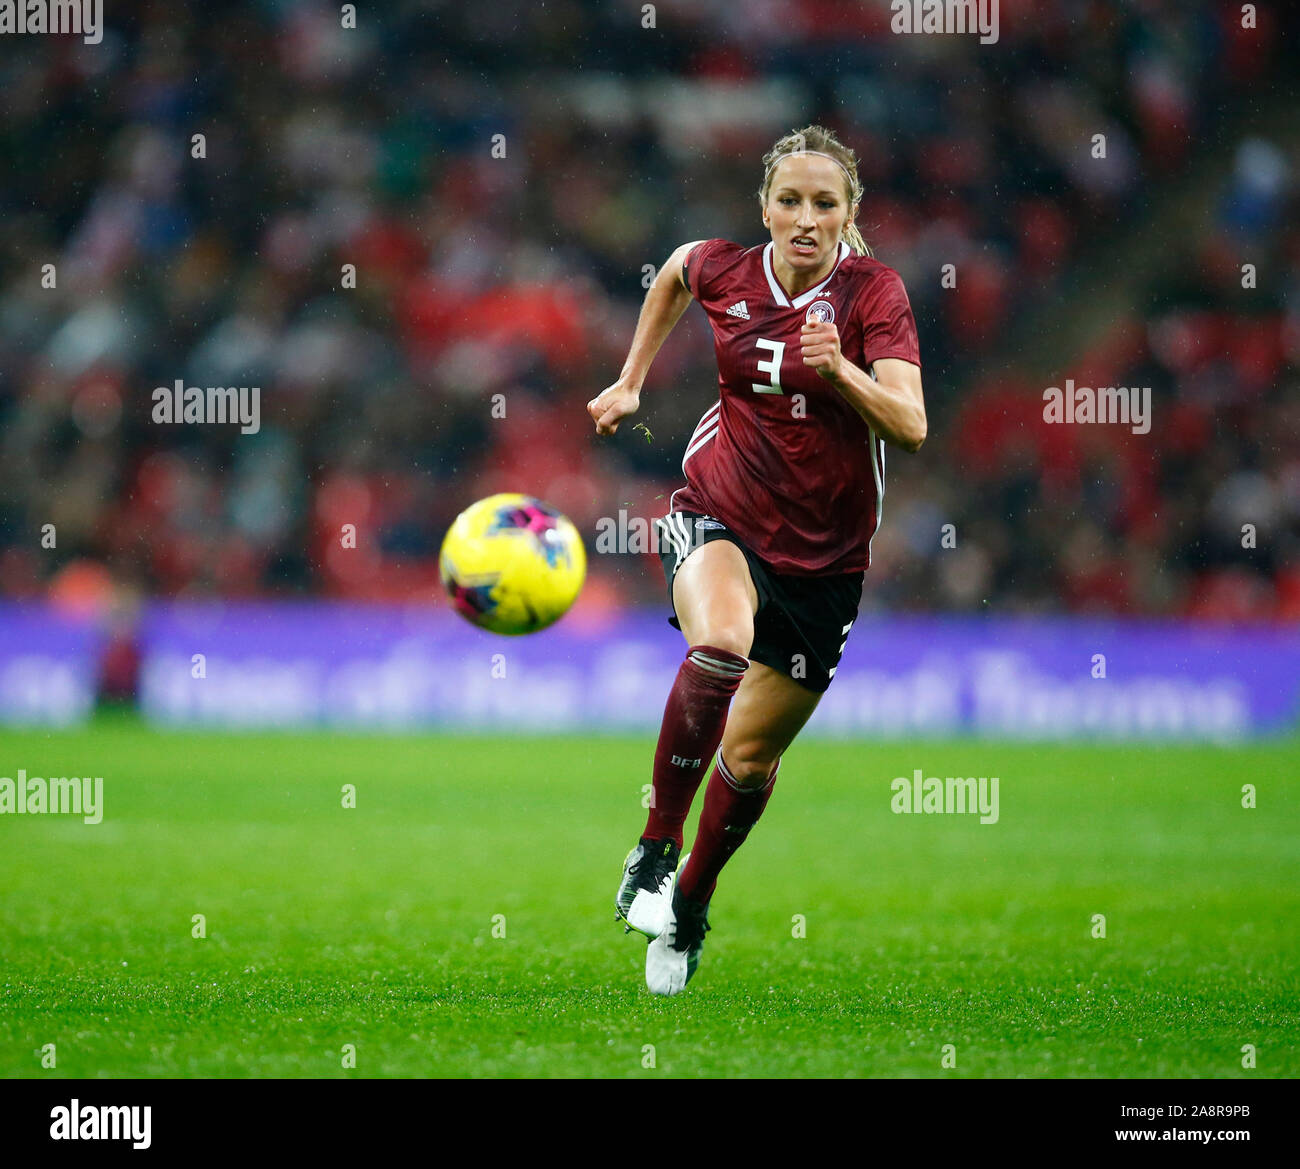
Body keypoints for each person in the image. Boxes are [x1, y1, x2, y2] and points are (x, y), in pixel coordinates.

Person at [587, 125, 926, 996]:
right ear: (764, 208)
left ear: (851, 216)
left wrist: (843, 371)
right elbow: (673, 272)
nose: (805, 219)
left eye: (825, 204)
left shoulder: (874, 295)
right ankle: (656, 847)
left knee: (750, 760)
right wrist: (631, 381)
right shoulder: (728, 270)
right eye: (789, 201)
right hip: (721, 508)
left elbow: (912, 426)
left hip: (826, 563)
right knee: (722, 644)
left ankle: (691, 903)